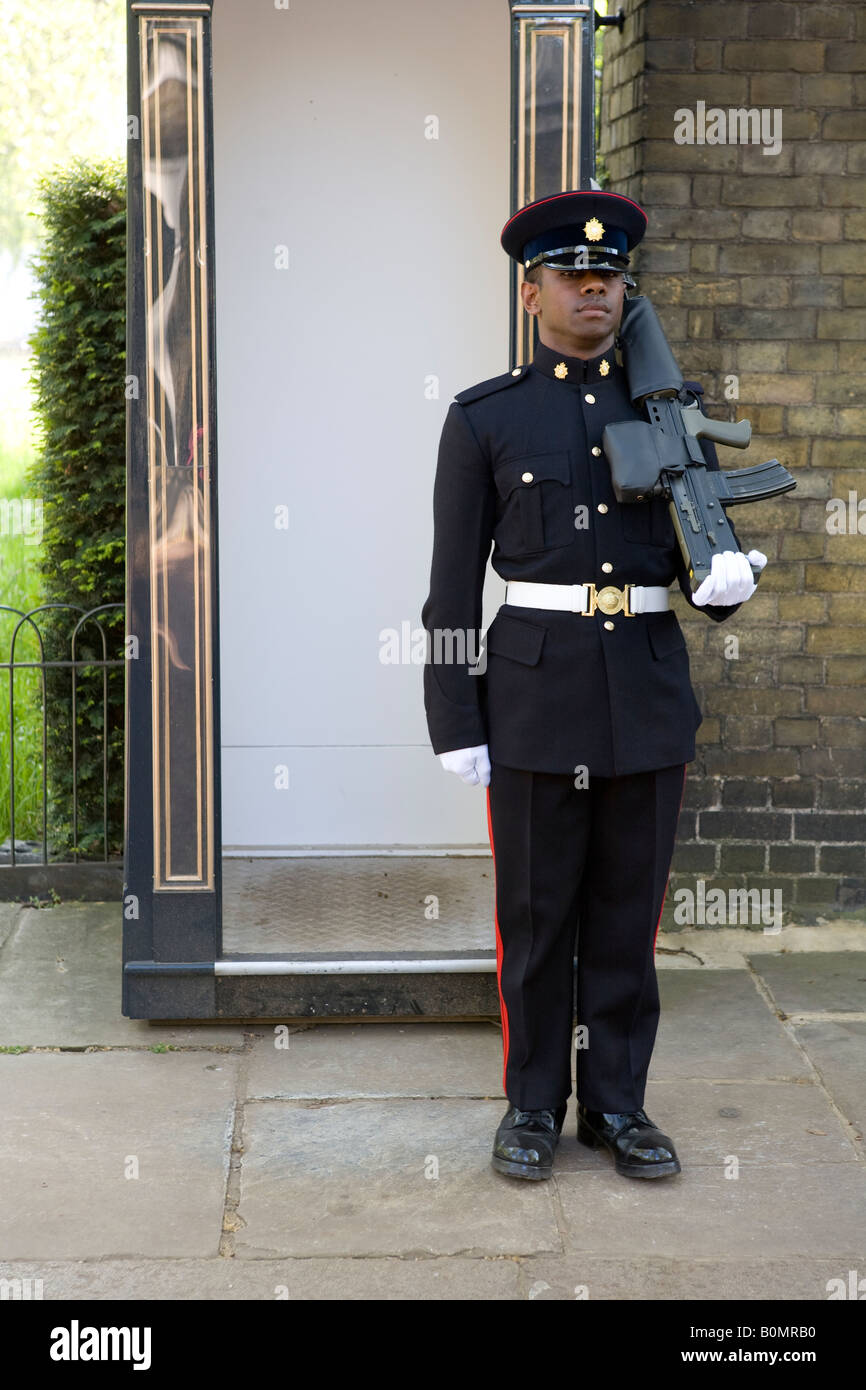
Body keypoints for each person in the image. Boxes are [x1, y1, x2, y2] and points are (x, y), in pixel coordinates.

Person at [420, 188, 767, 1182]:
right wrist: (453, 715)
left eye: (606, 275)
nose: (591, 289)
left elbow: (706, 561)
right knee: (534, 922)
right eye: (570, 276)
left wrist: (725, 587)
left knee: (625, 918)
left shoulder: (668, 410)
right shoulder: (484, 417)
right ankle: (531, 1104)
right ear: (531, 292)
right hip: (532, 696)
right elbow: (448, 590)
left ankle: (615, 1104)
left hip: (647, 693)